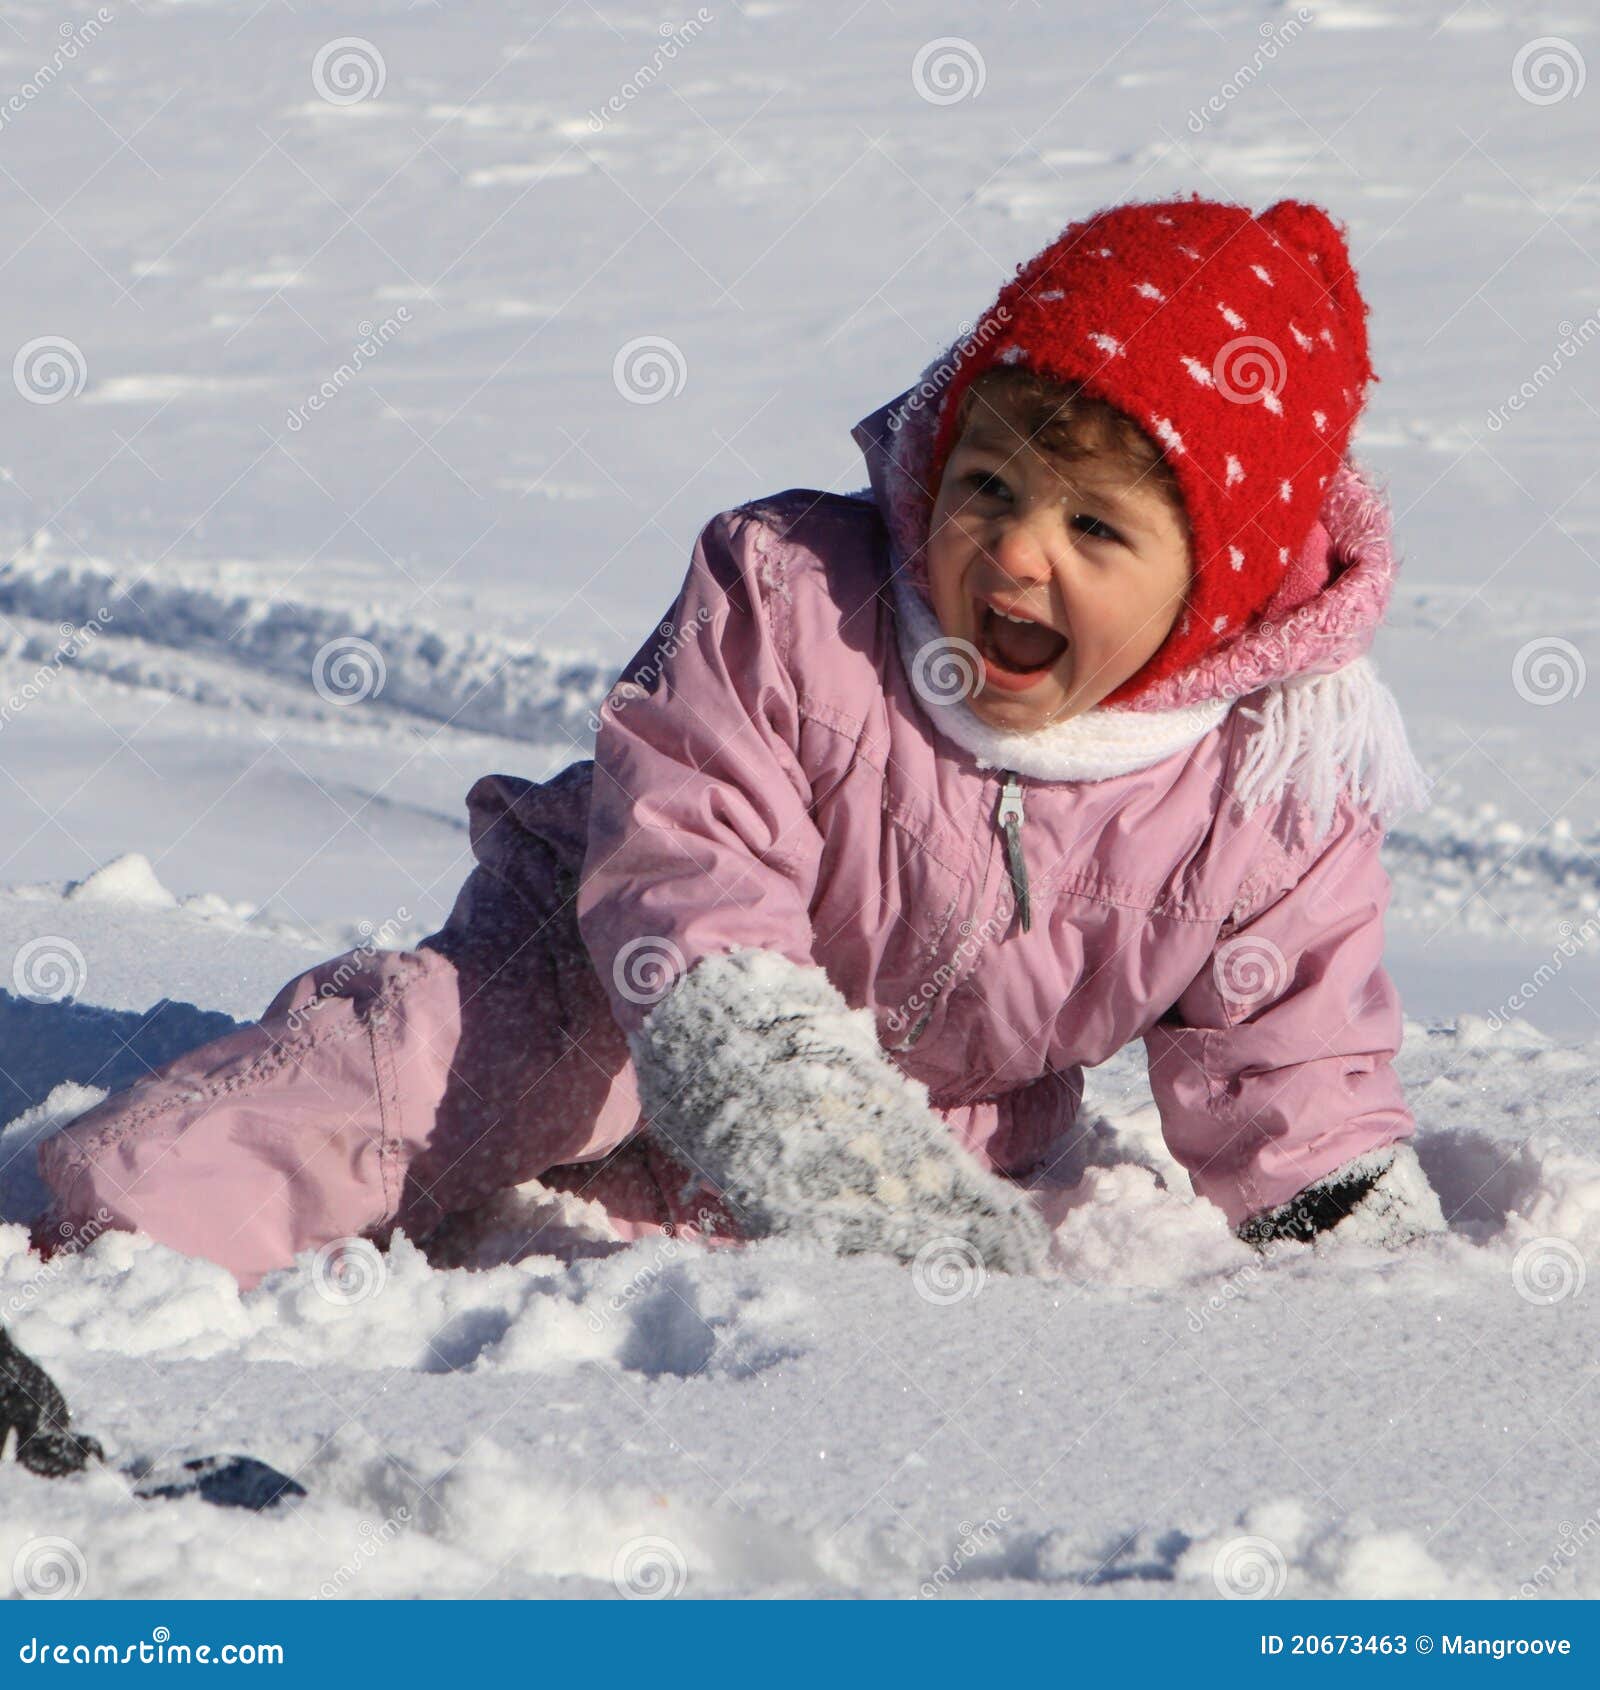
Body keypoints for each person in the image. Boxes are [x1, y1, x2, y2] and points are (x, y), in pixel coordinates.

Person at [32, 192, 1448, 1294]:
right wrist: (760, 1067)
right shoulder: (793, 597)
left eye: (1093, 527)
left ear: (1216, 588)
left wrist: (1350, 1249)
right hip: (605, 974)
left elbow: (1292, 1057)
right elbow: (688, 850)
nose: (1016, 551)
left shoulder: (1266, 779)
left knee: (681, 1238)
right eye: (990, 481)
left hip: (935, 1120)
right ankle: (123, 1232)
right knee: (420, 1067)